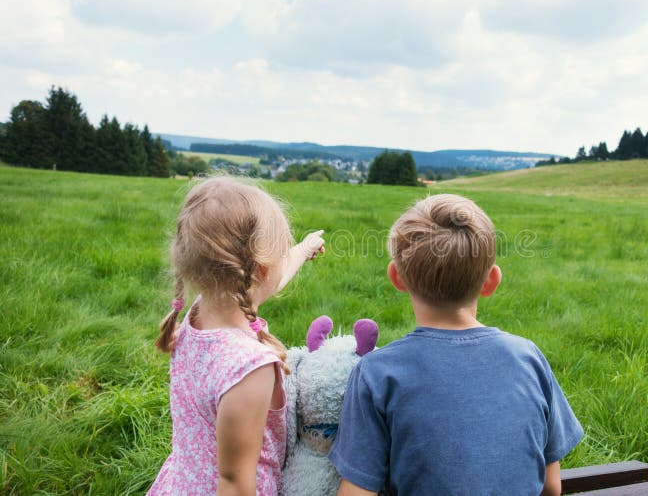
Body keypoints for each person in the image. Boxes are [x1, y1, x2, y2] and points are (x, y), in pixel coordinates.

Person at [329, 194, 583, 496]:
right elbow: (551, 486)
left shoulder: (376, 372)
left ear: (396, 277)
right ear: (491, 281)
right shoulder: (528, 357)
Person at [148, 177, 325, 496]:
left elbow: (269, 280)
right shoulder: (249, 367)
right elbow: (234, 482)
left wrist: (303, 248)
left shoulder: (200, 312)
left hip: (182, 482)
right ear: (259, 269)